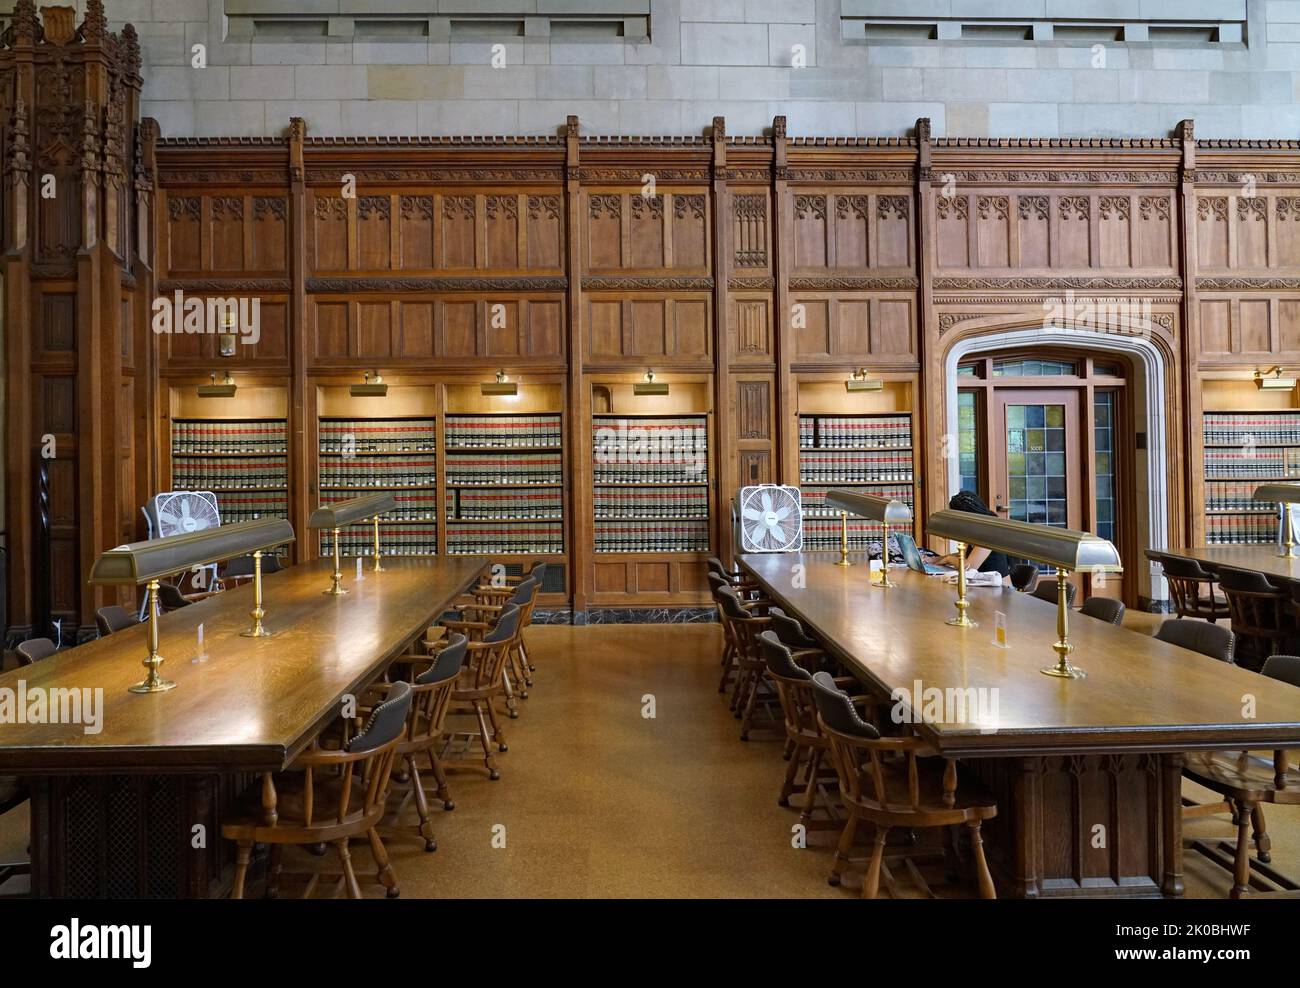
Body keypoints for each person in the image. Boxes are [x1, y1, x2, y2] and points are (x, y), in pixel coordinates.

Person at [934, 490, 1011, 585]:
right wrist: (934, 560)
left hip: (1001, 591)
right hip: (982, 585)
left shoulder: (988, 532)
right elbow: (962, 556)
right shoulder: (971, 530)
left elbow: (969, 567)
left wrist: (948, 559)